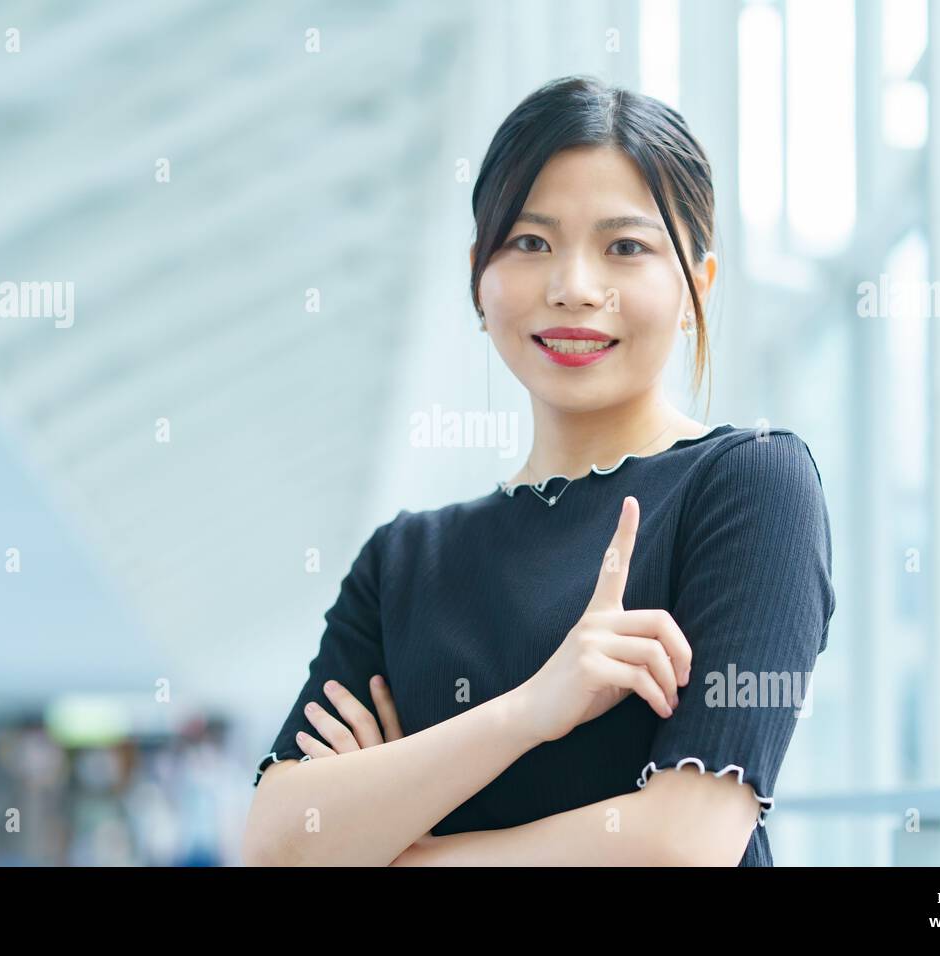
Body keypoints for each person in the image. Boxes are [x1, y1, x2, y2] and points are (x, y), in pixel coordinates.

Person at [243, 75, 835, 867]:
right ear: (479, 280)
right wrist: (530, 710)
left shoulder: (751, 486)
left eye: (626, 247)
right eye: (530, 242)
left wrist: (393, 845)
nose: (573, 288)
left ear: (698, 287)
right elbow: (279, 845)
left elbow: (681, 845)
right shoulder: (403, 563)